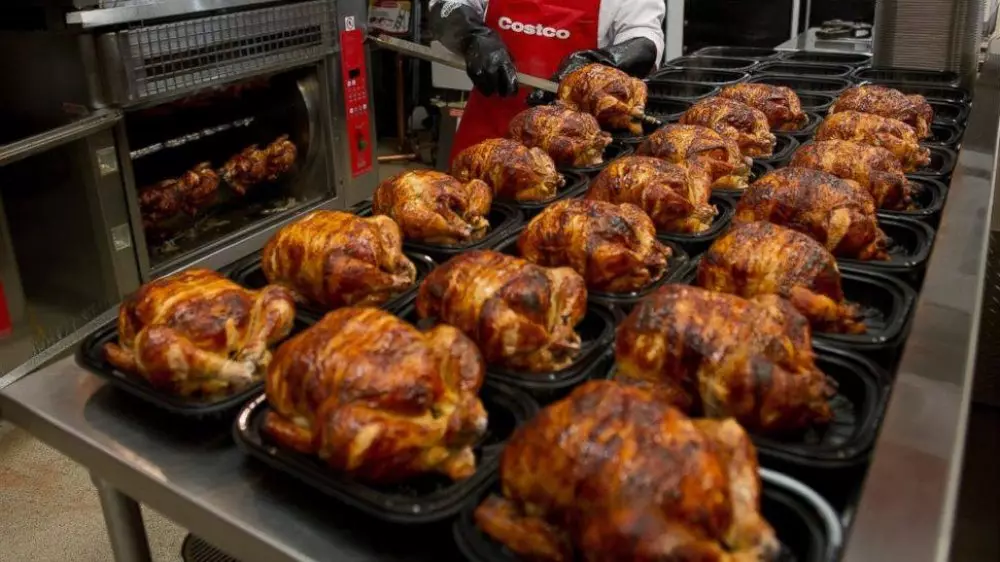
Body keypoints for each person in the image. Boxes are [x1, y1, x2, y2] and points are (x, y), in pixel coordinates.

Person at [429, 0, 665, 162]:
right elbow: (447, 6)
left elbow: (644, 40)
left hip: (573, 148)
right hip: (486, 137)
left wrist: (600, 63)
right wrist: (474, 38)